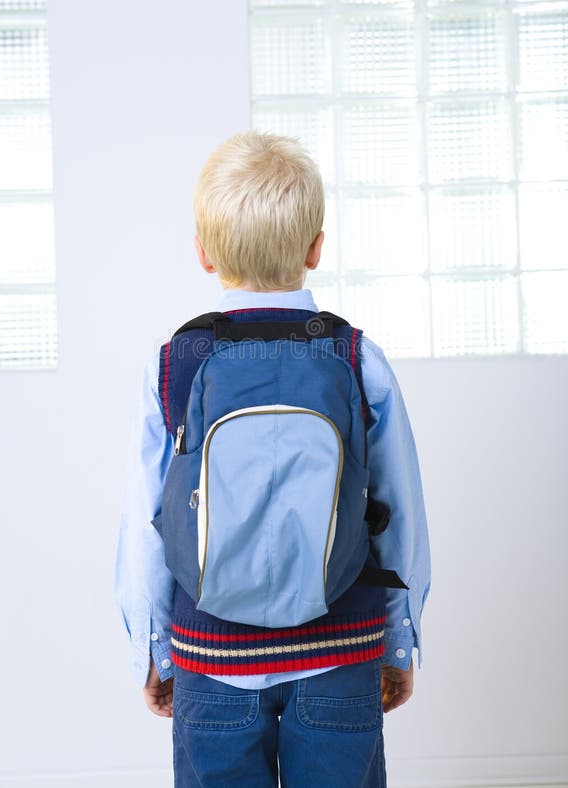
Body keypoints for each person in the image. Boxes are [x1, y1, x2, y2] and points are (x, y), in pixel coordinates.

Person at [114, 131, 431, 787]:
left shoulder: (173, 364)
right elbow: (399, 515)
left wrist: (156, 651)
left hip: (212, 653)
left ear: (203, 254)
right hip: (341, 652)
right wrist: (399, 642)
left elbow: (143, 524)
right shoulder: (355, 358)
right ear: (317, 247)